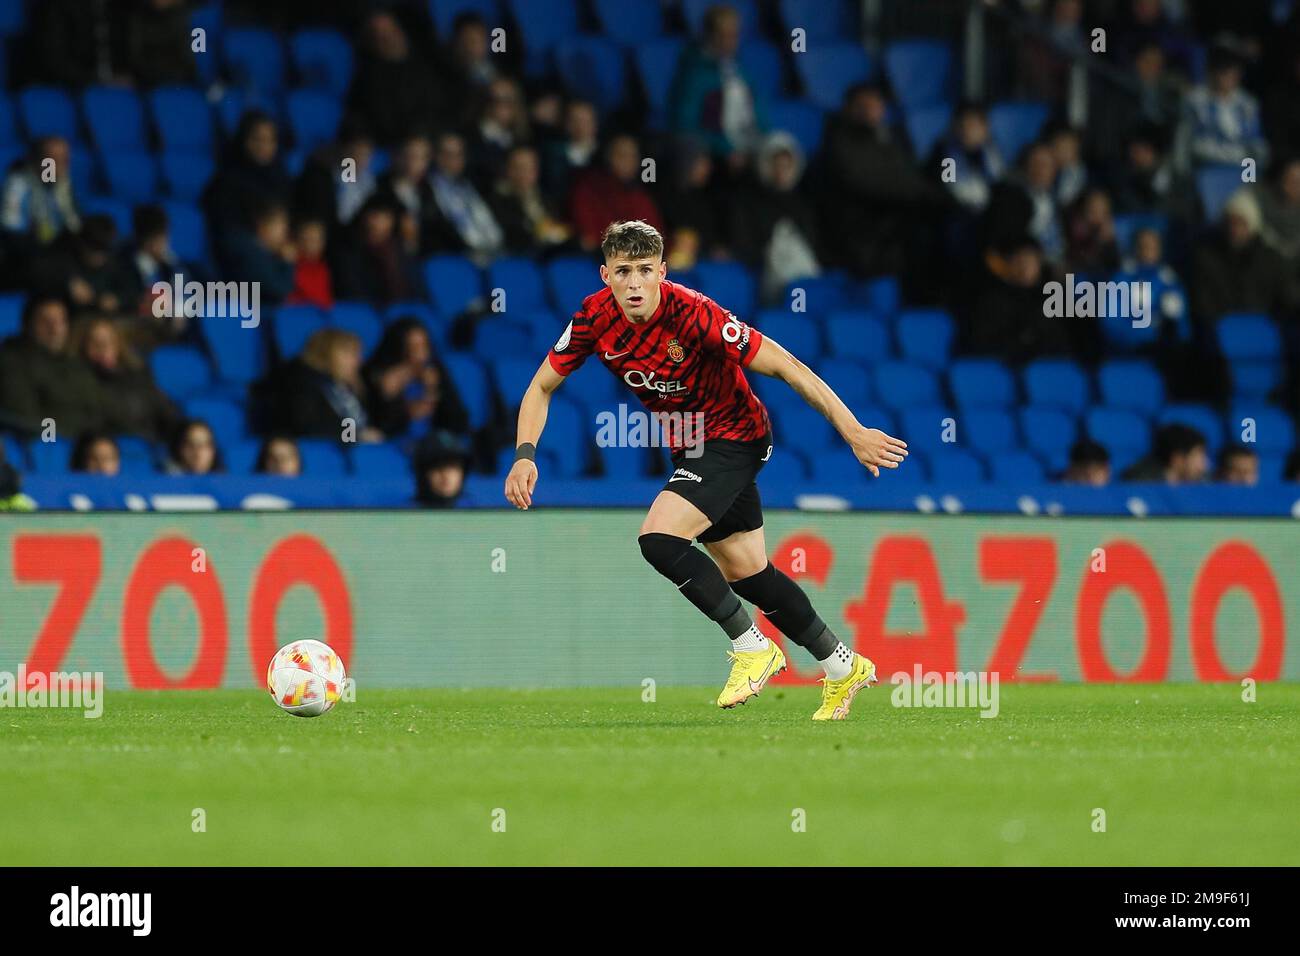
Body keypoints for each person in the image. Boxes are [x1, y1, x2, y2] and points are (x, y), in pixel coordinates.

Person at [502, 220, 908, 720]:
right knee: (750, 575)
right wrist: (524, 455)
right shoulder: (592, 317)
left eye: (645, 270)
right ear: (605, 274)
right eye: (623, 271)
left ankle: (752, 647)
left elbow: (785, 365)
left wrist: (853, 431)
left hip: (735, 437)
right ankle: (843, 666)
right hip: (691, 445)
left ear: (662, 272)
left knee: (659, 538)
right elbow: (540, 387)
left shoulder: (695, 313)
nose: (634, 284)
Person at [0, 296, 102, 438]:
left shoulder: (75, 363)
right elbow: (25, 419)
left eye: (61, 321)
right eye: (46, 322)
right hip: (46, 446)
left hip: (82, 446)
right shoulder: (12, 363)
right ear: (28, 325)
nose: (55, 330)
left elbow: (98, 410)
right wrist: (66, 438)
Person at [70, 316, 178, 441]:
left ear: (118, 344)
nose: (104, 347)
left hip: (148, 443)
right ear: (83, 347)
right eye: (96, 343)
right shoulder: (78, 381)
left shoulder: (138, 374)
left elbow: (163, 407)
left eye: (109, 341)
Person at [362, 317, 469, 438]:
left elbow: (459, 421)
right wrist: (401, 408)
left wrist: (433, 389)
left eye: (424, 346)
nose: (420, 354)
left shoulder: (433, 368)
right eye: (412, 348)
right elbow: (377, 426)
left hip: (433, 441)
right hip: (395, 444)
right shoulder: (377, 373)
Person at [1122, 423, 1208, 483]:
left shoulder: (1202, 482)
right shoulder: (1140, 484)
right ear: (1178, 459)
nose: (1203, 466)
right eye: (1198, 456)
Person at [414, 429, 470, 508]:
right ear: (423, 474)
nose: (445, 475)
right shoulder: (405, 514)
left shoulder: (477, 512)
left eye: (453, 467)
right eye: (437, 467)